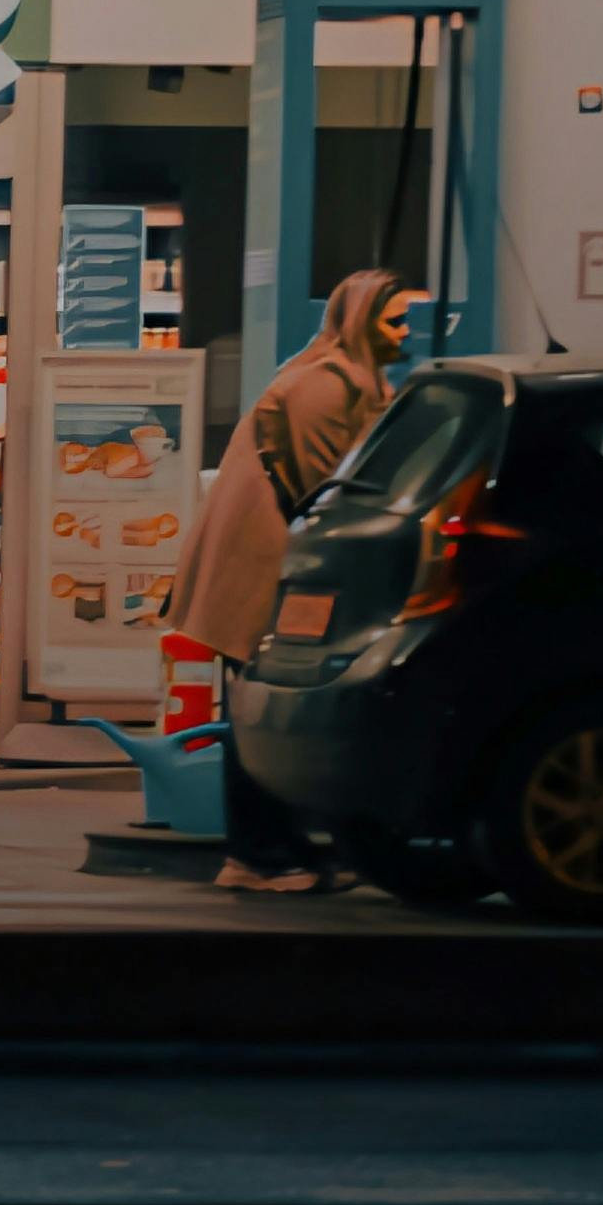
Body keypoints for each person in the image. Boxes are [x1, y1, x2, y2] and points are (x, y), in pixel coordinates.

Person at [168, 266, 424, 891]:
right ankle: (257, 856)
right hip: (262, 570)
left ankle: (277, 851)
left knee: (266, 712)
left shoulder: (349, 379)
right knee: (259, 713)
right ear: (362, 322)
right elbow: (324, 490)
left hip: (274, 567)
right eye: (395, 319)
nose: (407, 330)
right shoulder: (326, 385)